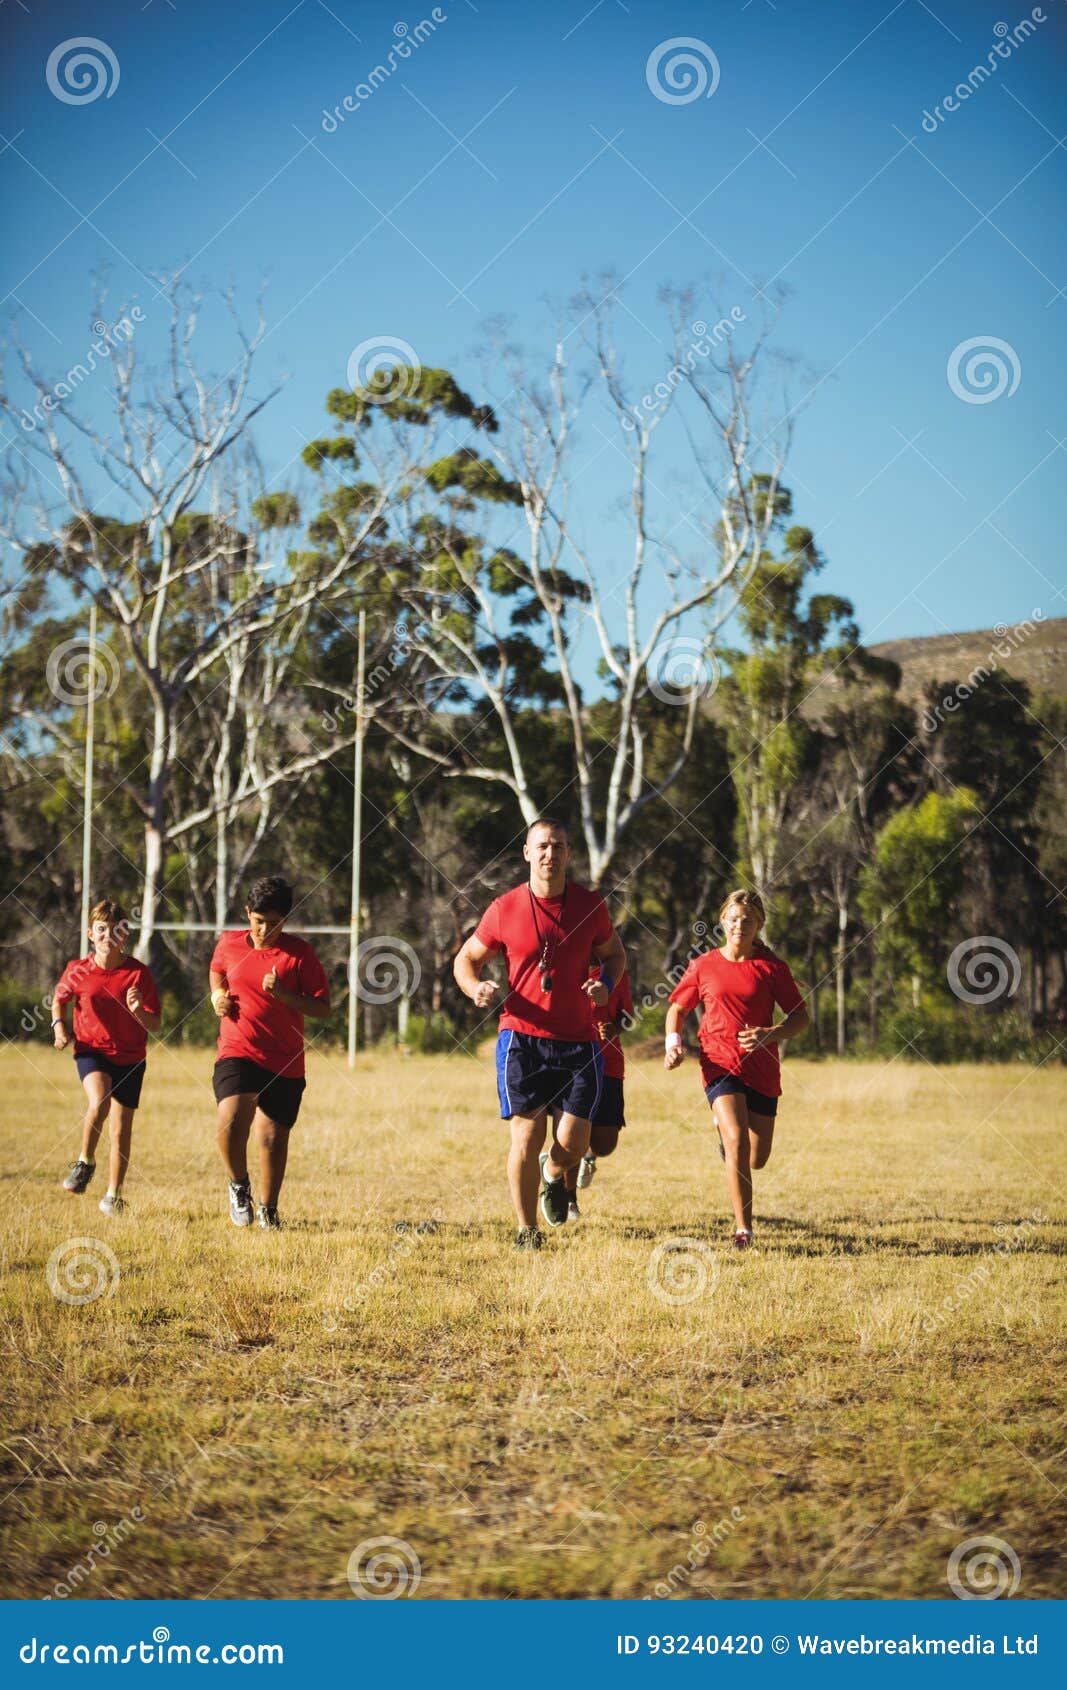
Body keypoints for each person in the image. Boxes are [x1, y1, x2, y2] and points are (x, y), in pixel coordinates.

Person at [454, 818, 626, 1250]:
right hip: (522, 1038)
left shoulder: (590, 906)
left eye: (559, 846)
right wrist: (475, 987)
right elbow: (467, 959)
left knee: (573, 1143)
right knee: (525, 1138)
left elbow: (614, 954)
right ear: (528, 853)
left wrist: (605, 983)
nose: (551, 854)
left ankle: (554, 1173)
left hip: (580, 1041)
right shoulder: (504, 908)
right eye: (543, 846)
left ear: (569, 854)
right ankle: (526, 1231)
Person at [664, 889, 808, 1250]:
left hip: (761, 1068)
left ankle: (729, 1140)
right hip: (719, 1063)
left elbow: (800, 1017)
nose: (739, 925)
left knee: (756, 1158)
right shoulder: (703, 965)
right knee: (737, 1140)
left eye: (747, 920)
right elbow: (677, 1010)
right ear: (722, 922)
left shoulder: (772, 968)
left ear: (759, 925)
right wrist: (673, 1043)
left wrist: (769, 1034)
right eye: (733, 918)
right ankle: (744, 1230)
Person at [209, 875, 331, 1230]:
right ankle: (238, 1185)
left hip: (285, 1058)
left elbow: (323, 1008)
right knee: (230, 1119)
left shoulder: (299, 955)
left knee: (272, 1139)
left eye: (274, 923)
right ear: (248, 914)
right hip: (237, 1048)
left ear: (286, 920)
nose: (265, 930)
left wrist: (285, 995)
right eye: (259, 920)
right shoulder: (229, 944)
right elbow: (217, 971)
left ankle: (269, 1209)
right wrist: (217, 996)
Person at [53, 899, 162, 1216]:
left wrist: (139, 1010)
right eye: (101, 929)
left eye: (115, 930)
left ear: (124, 935)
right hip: (92, 1051)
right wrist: (60, 1029)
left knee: (120, 1129)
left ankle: (113, 1195)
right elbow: (58, 1002)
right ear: (90, 933)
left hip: (130, 1057)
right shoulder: (77, 970)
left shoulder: (138, 974)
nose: (108, 936)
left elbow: (155, 1024)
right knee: (99, 1100)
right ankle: (85, 1162)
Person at [562, 964, 634, 1220]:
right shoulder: (565, 965)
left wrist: (616, 1027)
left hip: (609, 1064)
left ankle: (591, 1156)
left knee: (605, 1144)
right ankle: (569, 1198)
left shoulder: (616, 972)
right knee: (572, 1135)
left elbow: (628, 1016)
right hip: (572, 1062)